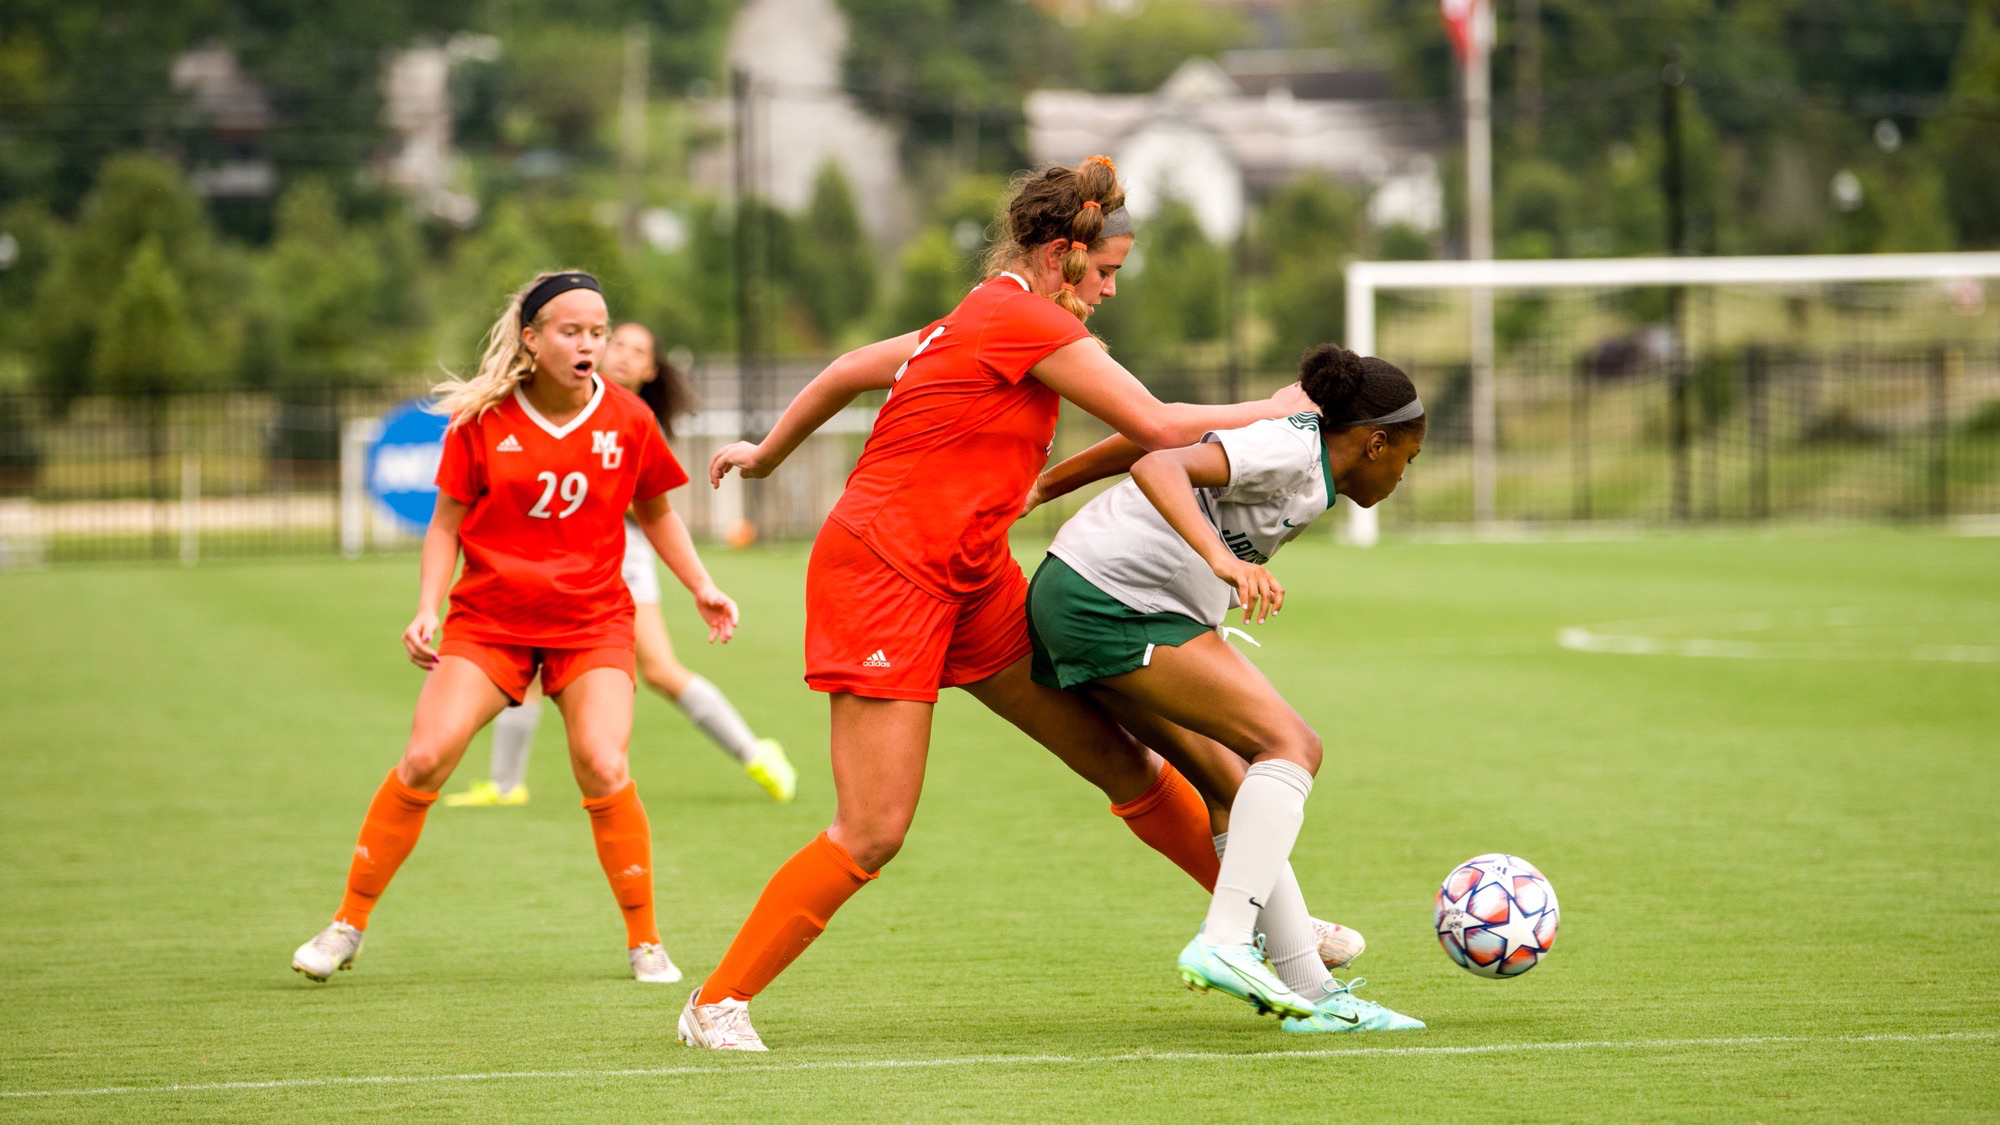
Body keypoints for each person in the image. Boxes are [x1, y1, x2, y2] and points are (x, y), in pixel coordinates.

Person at [677, 156, 1323, 1052]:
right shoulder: (1021, 315)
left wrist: (767, 454)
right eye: (1104, 275)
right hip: (886, 575)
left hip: (974, 579)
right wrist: (1287, 409)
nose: (1106, 293)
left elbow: (844, 370)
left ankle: (1267, 936)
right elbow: (1162, 427)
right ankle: (716, 1001)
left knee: (1123, 757)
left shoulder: (977, 315)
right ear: (1060, 254)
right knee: (873, 830)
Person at [290, 271, 738, 988]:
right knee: (426, 755)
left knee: (602, 762)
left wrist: (703, 586)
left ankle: (646, 941)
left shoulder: (628, 419)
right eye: (571, 330)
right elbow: (445, 523)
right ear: (531, 340)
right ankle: (346, 925)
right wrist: (427, 606)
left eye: (598, 330)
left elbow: (656, 511)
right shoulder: (481, 421)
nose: (589, 342)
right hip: (489, 623)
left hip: (592, 623)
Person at [1023, 343, 1428, 1033]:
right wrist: (1220, 561)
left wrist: (1042, 487)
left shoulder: (1308, 458)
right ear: (1374, 441)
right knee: (1292, 744)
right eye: (1406, 459)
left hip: (1093, 596)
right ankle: (1227, 940)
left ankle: (1316, 1000)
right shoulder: (1292, 451)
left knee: (1229, 784)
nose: (1403, 475)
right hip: (1109, 599)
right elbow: (1157, 460)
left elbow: (1154, 435)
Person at [443, 321, 796, 807]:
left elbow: (648, 507)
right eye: (619, 344)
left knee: (659, 669)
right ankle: (506, 784)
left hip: (619, 553)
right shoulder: (568, 403)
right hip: (562, 552)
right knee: (522, 650)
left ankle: (756, 752)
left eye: (639, 351)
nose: (625, 355)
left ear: (651, 369)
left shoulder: (632, 418)